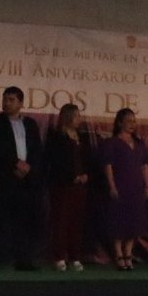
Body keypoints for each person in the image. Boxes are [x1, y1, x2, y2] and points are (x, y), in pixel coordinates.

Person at [0, 86, 44, 270]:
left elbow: (36, 149)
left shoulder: (30, 124)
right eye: (5, 99)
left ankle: (23, 260)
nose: (6, 103)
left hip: (26, 180)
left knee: (24, 222)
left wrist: (29, 168)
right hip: (3, 178)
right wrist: (15, 164)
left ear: (21, 103)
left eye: (11, 100)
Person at [98, 107, 148, 271]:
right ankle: (119, 254)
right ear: (120, 123)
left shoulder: (139, 144)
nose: (132, 124)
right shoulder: (112, 143)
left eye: (134, 121)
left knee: (134, 221)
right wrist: (112, 186)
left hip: (136, 187)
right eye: (128, 121)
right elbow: (108, 166)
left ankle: (128, 253)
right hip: (121, 186)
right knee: (118, 221)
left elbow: (144, 166)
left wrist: (147, 185)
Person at [44, 103, 94, 270]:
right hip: (62, 185)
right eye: (77, 115)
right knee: (61, 221)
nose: (80, 119)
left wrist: (86, 174)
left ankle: (75, 257)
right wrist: (72, 176)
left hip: (81, 186)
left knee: (77, 222)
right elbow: (54, 161)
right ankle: (59, 257)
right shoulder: (56, 137)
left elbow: (88, 159)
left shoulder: (82, 137)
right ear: (68, 117)